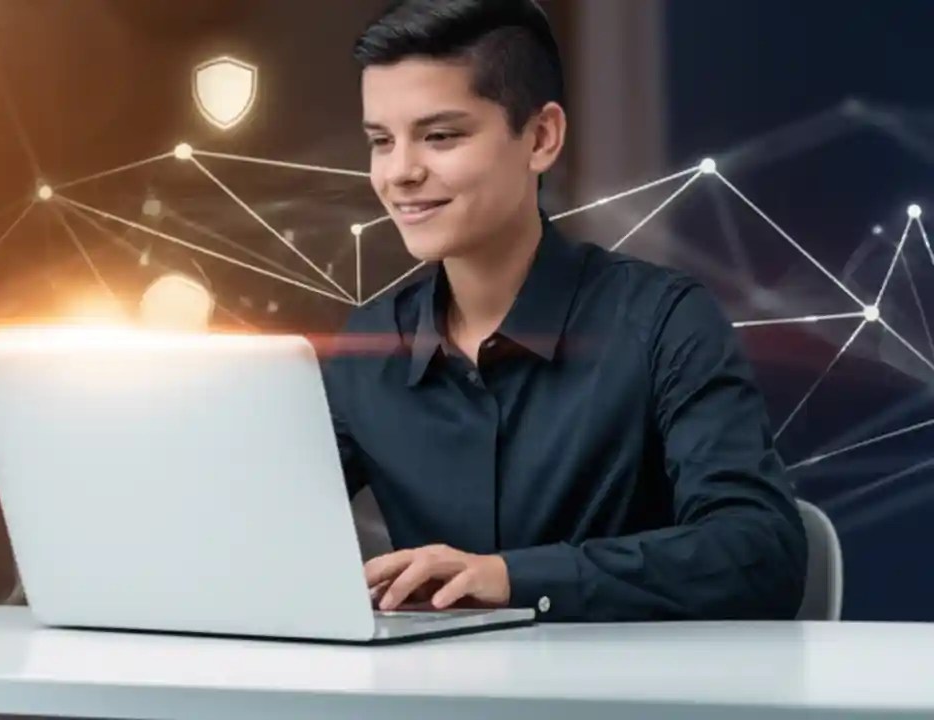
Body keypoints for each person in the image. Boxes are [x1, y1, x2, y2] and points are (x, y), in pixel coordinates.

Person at [320, 0, 808, 622]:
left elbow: (760, 553)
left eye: (440, 136)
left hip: (630, 681)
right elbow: (259, 532)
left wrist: (512, 579)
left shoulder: (664, 322)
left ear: (541, 137)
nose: (400, 173)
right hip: (435, 683)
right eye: (381, 142)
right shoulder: (369, 345)